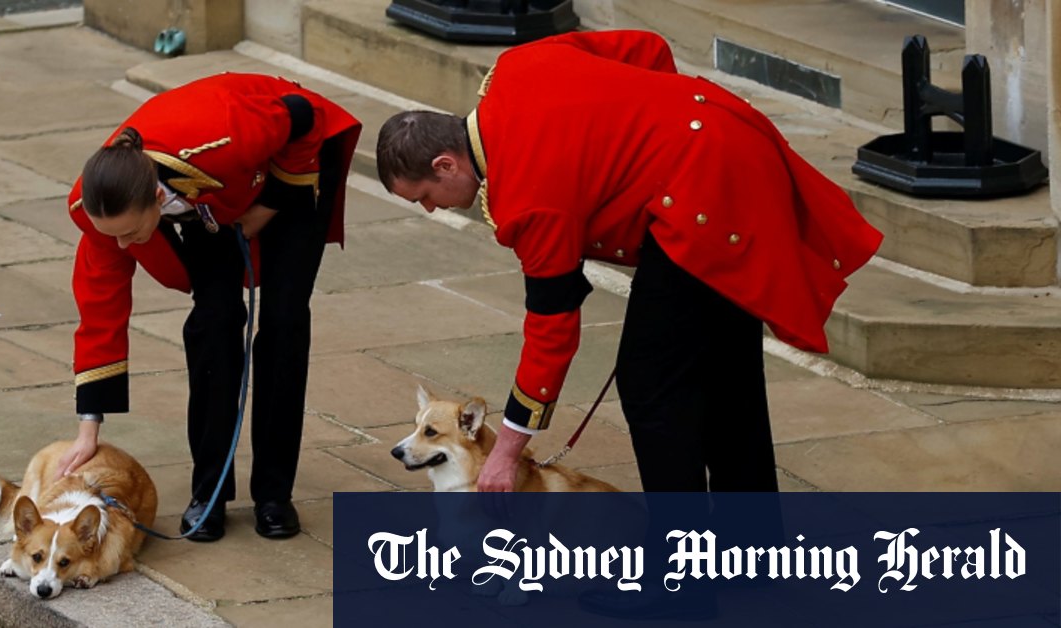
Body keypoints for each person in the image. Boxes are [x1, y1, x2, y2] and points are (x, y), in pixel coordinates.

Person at [376, 29, 882, 616]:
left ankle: (684, 587)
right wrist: (656, 129)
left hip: (701, 200)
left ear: (446, 162)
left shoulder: (527, 198)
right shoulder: (514, 68)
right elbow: (645, 48)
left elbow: (552, 330)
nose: (434, 209)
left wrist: (507, 450)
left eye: (427, 196)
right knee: (726, 375)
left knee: (652, 390)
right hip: (729, 141)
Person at [61, 72, 361, 543]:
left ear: (156, 198)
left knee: (284, 320)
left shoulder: (225, 135)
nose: (118, 244)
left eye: (128, 232)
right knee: (213, 322)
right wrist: (88, 429)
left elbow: (305, 118)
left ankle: (274, 494)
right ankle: (210, 492)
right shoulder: (101, 206)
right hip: (212, 201)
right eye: (111, 233)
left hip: (289, 168)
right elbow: (99, 312)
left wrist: (270, 205)